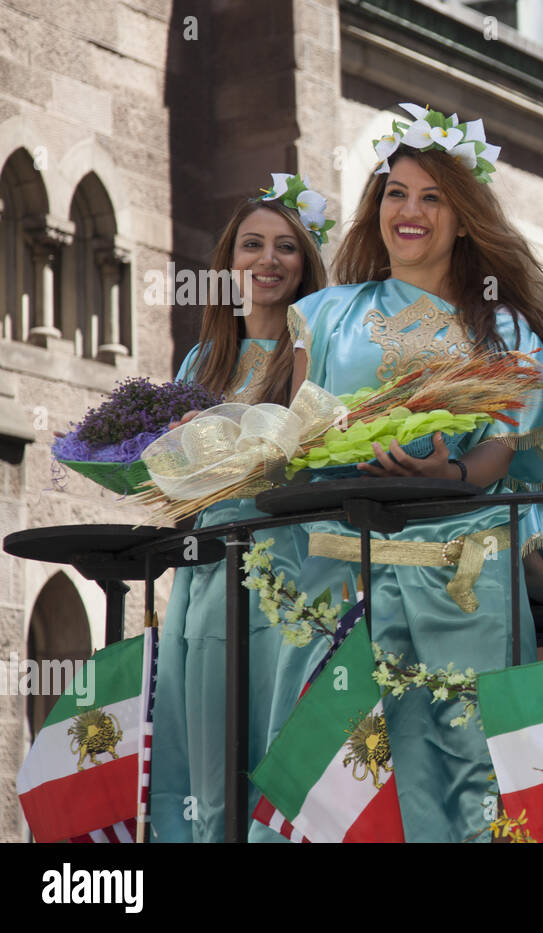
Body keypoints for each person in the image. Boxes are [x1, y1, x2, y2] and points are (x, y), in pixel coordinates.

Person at [289, 104, 543, 841]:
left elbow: (497, 457)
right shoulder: (321, 314)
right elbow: (293, 432)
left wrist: (450, 473)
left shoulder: (503, 329)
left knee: (468, 751)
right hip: (335, 560)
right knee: (344, 753)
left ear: (465, 217)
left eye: (432, 196)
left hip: (461, 561)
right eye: (395, 193)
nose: (409, 211)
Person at [151, 176, 330, 842]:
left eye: (286, 247)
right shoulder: (201, 359)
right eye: (252, 245)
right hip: (206, 571)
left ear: (305, 264)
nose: (268, 260)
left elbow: (306, 451)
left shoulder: (312, 350)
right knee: (204, 742)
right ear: (228, 263)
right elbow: (173, 483)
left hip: (286, 560)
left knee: (273, 733)